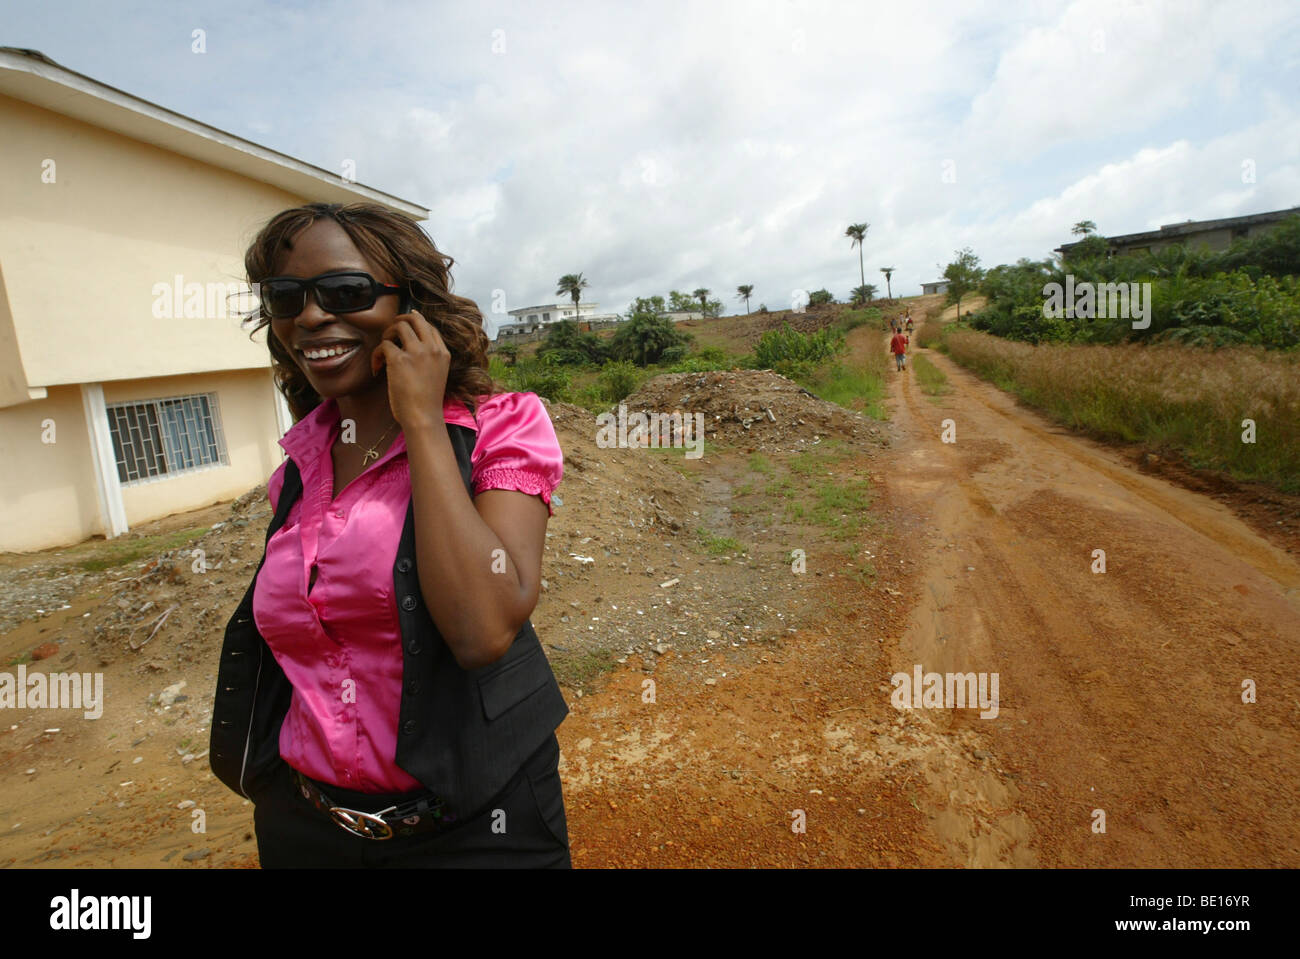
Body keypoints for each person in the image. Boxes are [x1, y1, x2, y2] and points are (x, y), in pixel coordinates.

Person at [210, 202, 571, 868]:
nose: (311, 316)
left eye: (345, 292)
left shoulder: (502, 429)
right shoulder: (298, 470)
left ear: (412, 305)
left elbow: (484, 628)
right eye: (286, 297)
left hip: (478, 830)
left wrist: (424, 422)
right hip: (308, 828)